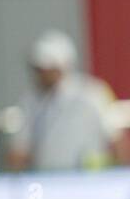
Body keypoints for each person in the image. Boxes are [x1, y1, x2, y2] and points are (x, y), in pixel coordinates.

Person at [7, 30, 117, 172]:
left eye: (44, 69)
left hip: (91, 184)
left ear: (60, 67)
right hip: (48, 184)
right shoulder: (30, 101)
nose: (38, 74)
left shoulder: (94, 92)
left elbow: (118, 140)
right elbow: (19, 150)